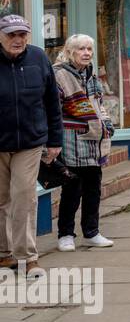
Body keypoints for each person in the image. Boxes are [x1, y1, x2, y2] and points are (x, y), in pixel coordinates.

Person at [0, 15, 62, 275]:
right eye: (11, 35)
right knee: (1, 200)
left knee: (24, 197)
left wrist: (55, 141)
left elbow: (52, 103)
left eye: (22, 34)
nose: (17, 39)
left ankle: (27, 258)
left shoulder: (39, 59)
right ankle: (4, 255)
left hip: (30, 141)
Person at [53, 34, 115, 252]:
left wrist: (107, 125)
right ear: (70, 52)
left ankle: (91, 232)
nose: (87, 53)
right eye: (81, 49)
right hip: (71, 139)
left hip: (95, 139)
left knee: (93, 188)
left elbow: (99, 105)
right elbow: (53, 109)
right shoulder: (59, 75)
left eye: (89, 49)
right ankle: (66, 234)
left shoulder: (91, 75)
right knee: (72, 187)